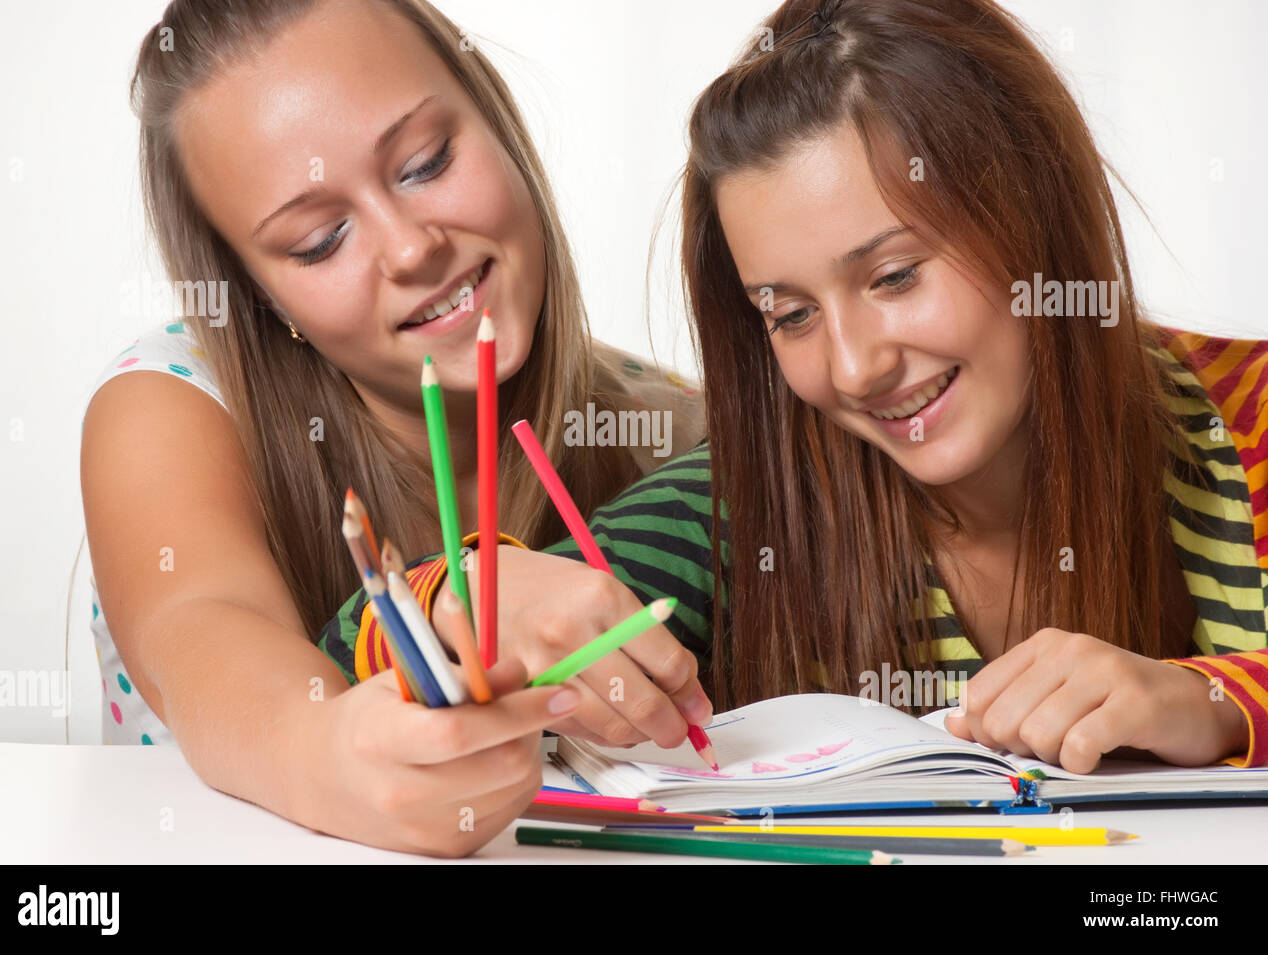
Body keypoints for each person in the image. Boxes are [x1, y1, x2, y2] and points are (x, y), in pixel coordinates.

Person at [390, 0, 1267, 775]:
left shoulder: (1248, 407)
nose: (853, 369)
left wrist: (1212, 705)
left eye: (893, 277)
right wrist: (478, 592)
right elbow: (355, 637)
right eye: (791, 314)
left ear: (1035, 223)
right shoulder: (742, 508)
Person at [80, 0, 708, 857]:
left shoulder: (670, 424)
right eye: (319, 239)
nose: (411, 248)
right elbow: (203, 618)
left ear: (498, 123)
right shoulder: (167, 408)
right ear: (261, 299)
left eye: (425, 162)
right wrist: (323, 747)